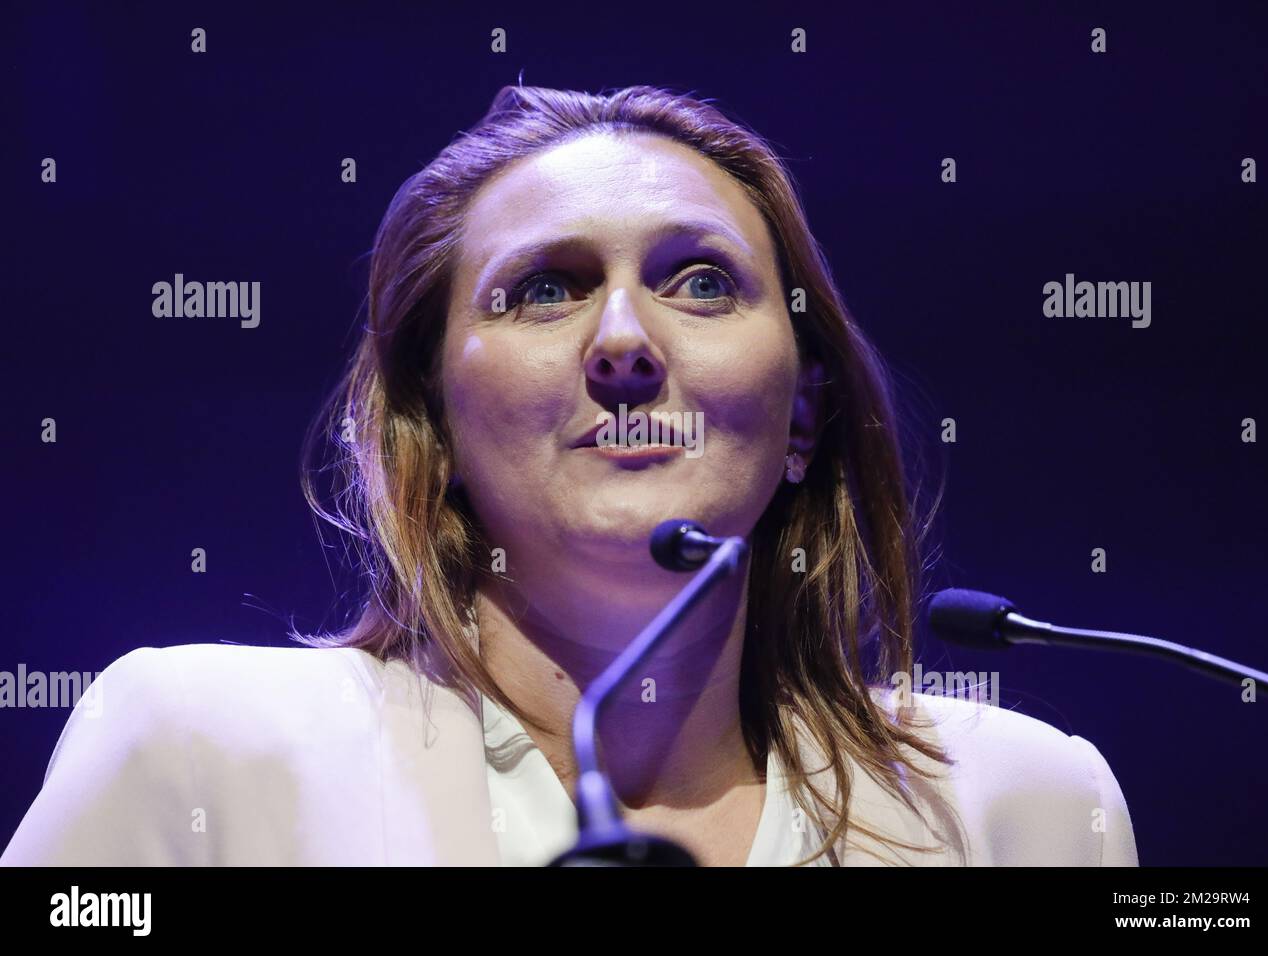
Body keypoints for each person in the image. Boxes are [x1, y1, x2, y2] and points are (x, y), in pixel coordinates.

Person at [1, 84, 1138, 867]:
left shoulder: (1018, 802)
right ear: (430, 426)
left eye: (700, 280)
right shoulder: (202, 747)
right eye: (544, 288)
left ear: (802, 415)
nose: (625, 340)